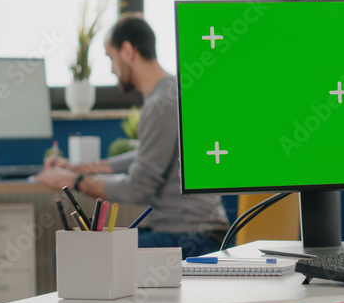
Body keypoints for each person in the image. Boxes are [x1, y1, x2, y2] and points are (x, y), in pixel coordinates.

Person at [37, 13, 229, 258]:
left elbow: (138, 189)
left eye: (111, 58)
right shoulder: (174, 91)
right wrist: (76, 168)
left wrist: (73, 182)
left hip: (190, 239)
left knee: (73, 255)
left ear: (128, 51)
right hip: (199, 232)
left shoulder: (160, 105)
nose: (112, 69)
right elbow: (142, 157)